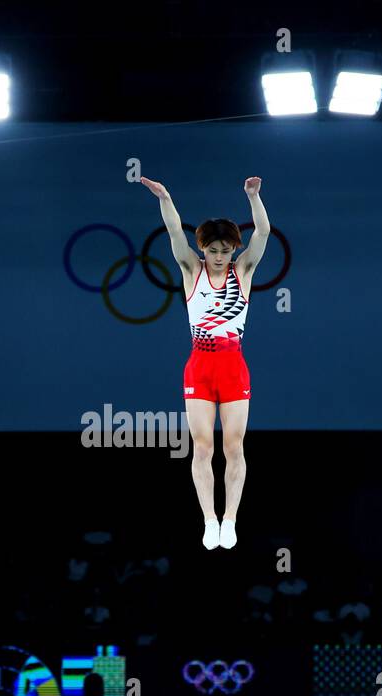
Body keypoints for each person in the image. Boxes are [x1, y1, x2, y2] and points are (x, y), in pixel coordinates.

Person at [139, 175, 270, 549]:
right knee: (202, 447)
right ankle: (209, 520)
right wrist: (165, 196)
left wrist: (253, 196)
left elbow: (262, 232)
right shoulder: (190, 270)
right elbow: (172, 230)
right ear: (203, 250)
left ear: (232, 250)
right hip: (200, 366)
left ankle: (230, 519)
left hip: (233, 367)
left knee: (234, 447)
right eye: (213, 250)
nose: (218, 257)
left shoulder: (242, 271)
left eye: (225, 251)